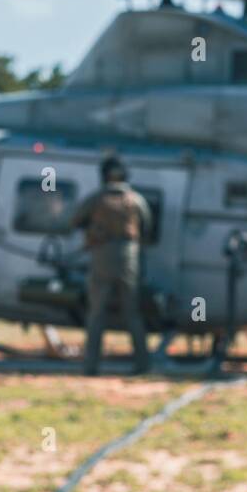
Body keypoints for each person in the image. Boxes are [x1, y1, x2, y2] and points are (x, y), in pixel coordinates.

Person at [71, 155, 152, 375]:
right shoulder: (135, 200)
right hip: (129, 257)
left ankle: (90, 367)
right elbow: (147, 227)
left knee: (96, 314)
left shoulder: (97, 199)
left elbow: (75, 220)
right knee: (133, 313)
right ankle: (142, 365)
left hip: (102, 257)